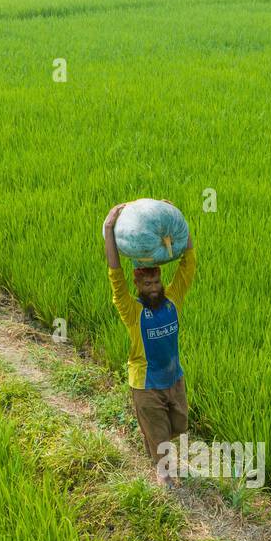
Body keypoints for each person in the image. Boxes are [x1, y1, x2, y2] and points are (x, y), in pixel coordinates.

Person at [102, 201, 196, 488]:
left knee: (178, 426)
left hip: (174, 378)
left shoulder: (173, 302)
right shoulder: (133, 312)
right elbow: (115, 278)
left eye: (156, 282)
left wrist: (177, 220)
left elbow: (188, 264)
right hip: (146, 383)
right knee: (158, 432)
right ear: (138, 284)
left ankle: (162, 456)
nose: (154, 288)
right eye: (148, 285)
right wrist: (108, 229)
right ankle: (163, 472)